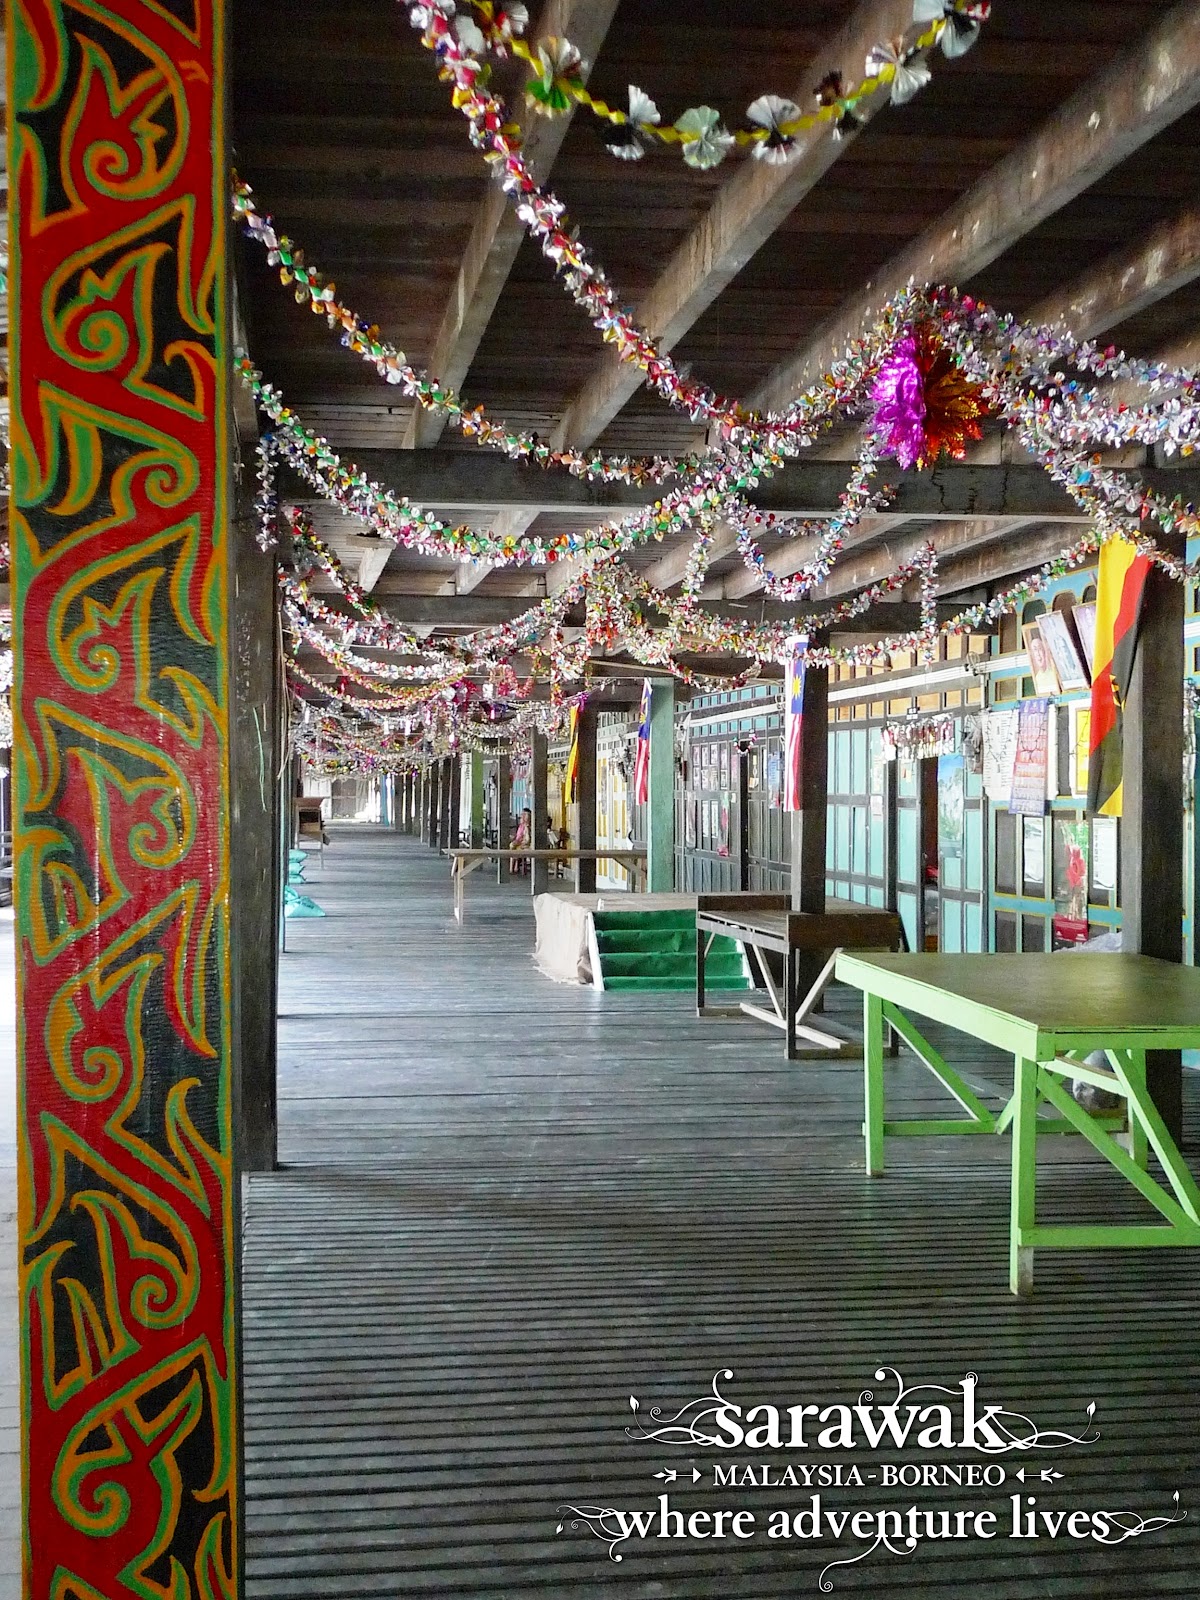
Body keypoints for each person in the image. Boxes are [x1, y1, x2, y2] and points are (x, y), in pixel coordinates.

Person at [511, 806, 532, 875]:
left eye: (523, 815)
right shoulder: (521, 826)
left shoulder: (527, 827)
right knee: (512, 846)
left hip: (524, 844)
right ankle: (514, 866)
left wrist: (520, 842)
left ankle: (513, 867)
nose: (521, 817)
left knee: (513, 847)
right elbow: (518, 835)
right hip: (519, 842)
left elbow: (527, 839)